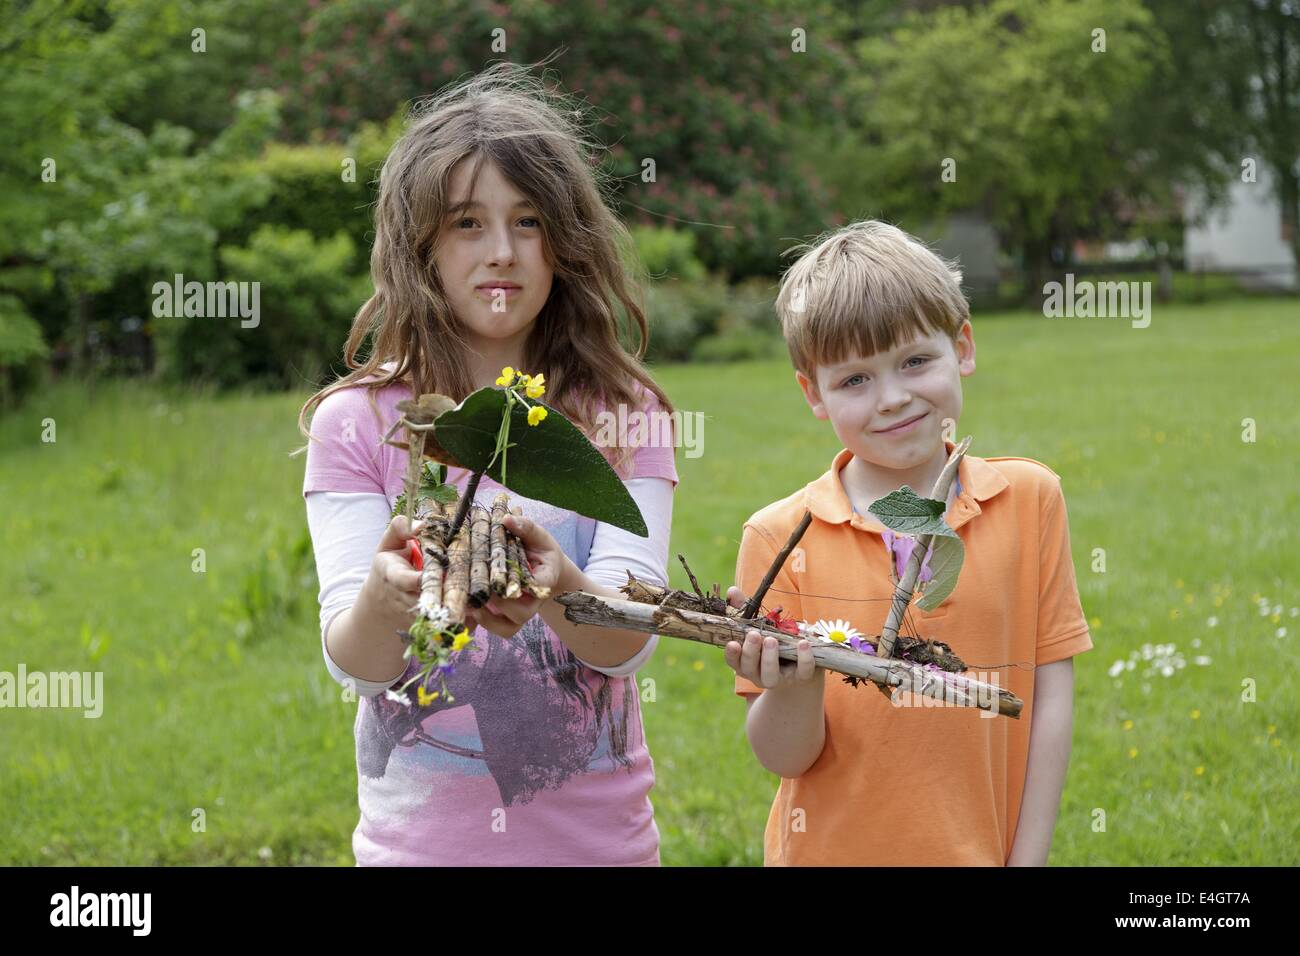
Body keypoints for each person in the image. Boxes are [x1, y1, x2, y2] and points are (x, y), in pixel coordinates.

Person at [295, 63, 677, 866]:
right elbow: (359, 666)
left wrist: (555, 586)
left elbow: (629, 643)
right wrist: (388, 596)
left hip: (598, 847)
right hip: (420, 850)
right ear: (419, 242)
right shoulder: (356, 425)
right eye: (468, 222)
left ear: (565, 241)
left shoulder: (623, 411)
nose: (502, 252)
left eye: (529, 221)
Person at [724, 220, 1092, 866]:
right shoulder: (781, 537)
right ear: (813, 393)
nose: (892, 399)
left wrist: (1025, 860)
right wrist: (793, 686)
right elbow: (784, 757)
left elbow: (1050, 698)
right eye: (855, 380)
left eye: (915, 361)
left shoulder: (1031, 501)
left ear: (964, 348)